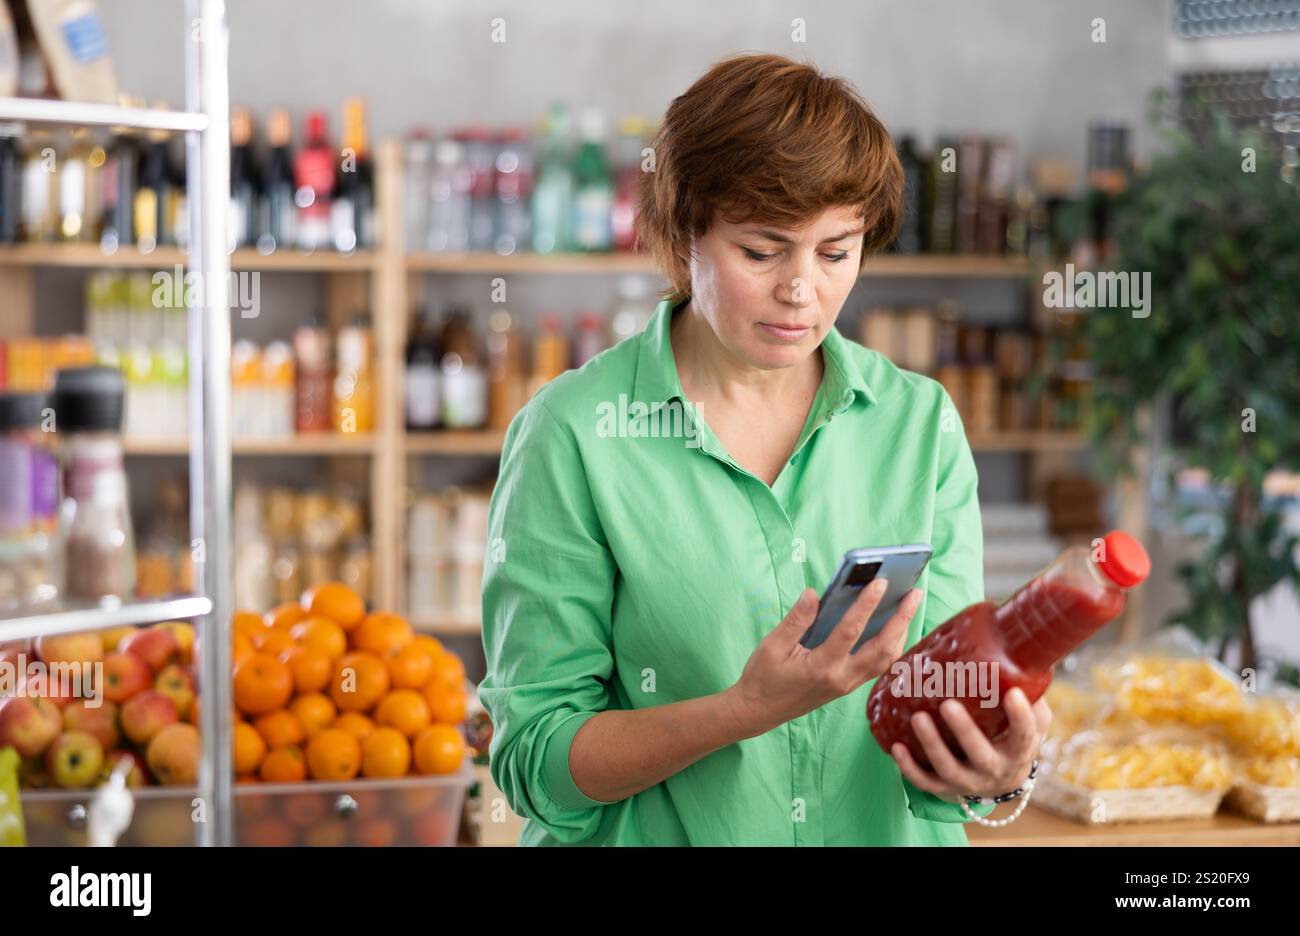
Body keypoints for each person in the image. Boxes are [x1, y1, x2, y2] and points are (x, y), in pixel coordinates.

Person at [479, 52, 1050, 846]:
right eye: (761, 250)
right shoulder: (573, 432)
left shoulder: (917, 422)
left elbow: (941, 709)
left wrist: (999, 769)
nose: (801, 290)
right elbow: (537, 759)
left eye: (835, 251)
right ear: (684, 236)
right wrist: (743, 710)